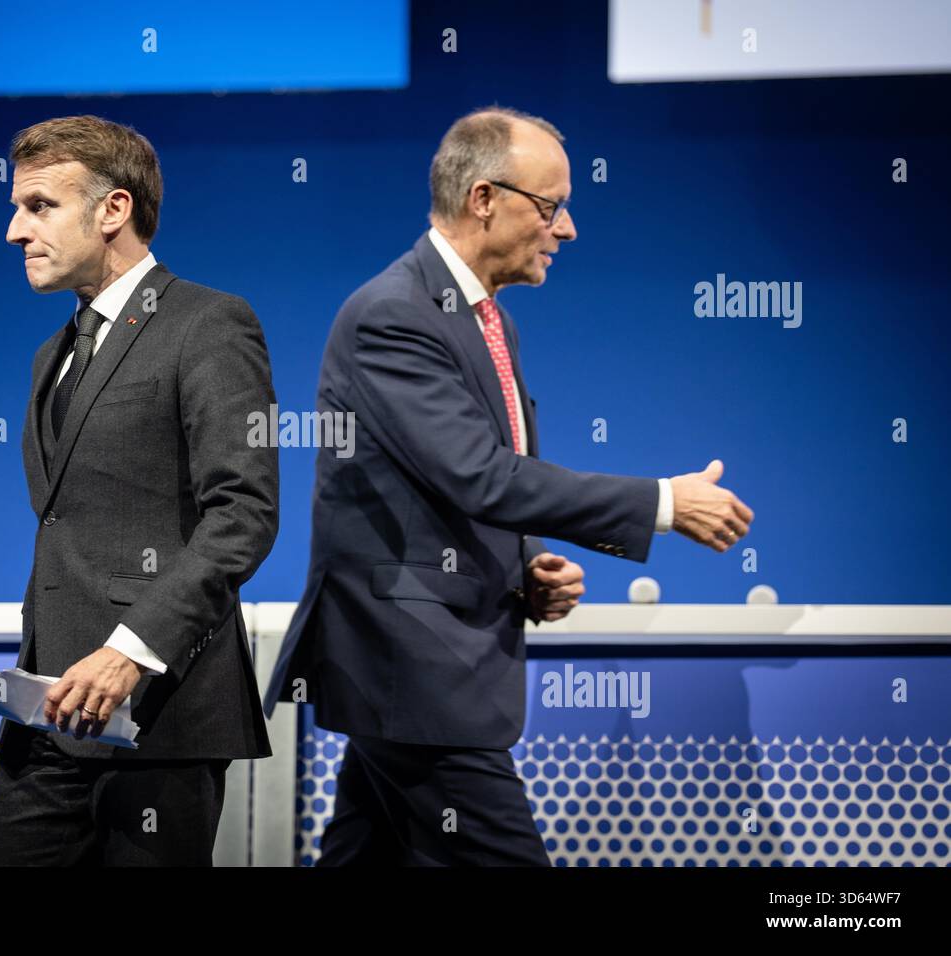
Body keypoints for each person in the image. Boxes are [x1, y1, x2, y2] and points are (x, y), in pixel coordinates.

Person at [263, 107, 754, 866]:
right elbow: (480, 475)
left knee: (364, 855)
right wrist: (661, 503)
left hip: (420, 662)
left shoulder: (488, 320)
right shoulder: (393, 315)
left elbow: (460, 481)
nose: (567, 230)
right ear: (484, 198)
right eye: (552, 206)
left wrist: (523, 565)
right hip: (413, 664)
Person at [0, 115, 279, 866]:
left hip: (157, 720)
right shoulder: (52, 352)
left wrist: (131, 652)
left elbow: (242, 514)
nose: (16, 230)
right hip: (44, 720)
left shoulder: (209, 324)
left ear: (113, 210)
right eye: (18, 207)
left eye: (40, 206)